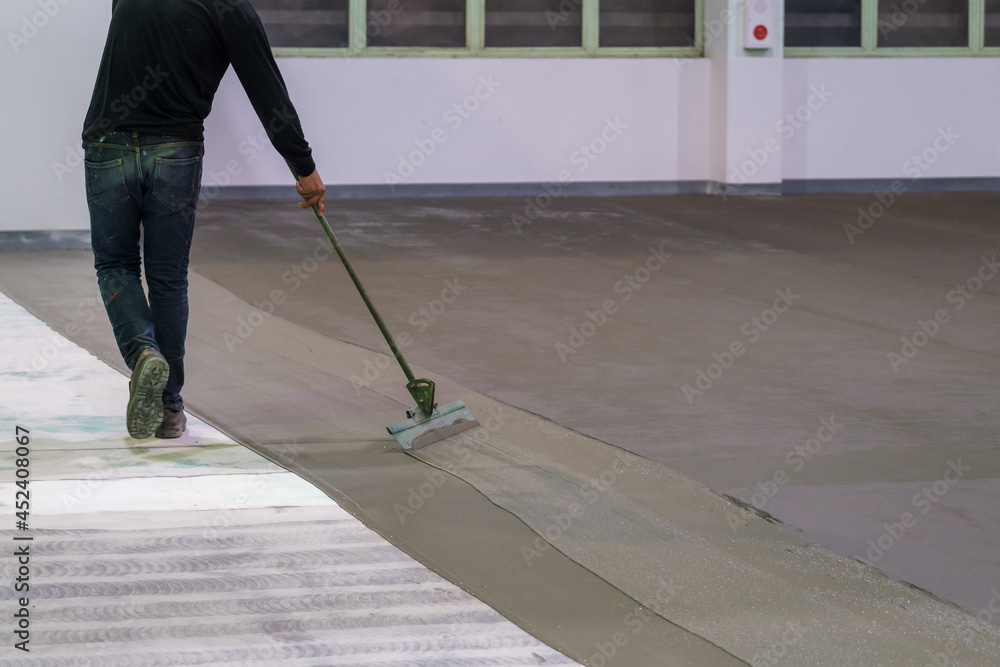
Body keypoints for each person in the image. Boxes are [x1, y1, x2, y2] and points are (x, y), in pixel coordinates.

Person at [82, 0, 325, 439]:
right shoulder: (231, 9)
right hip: (175, 151)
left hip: (108, 145)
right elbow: (268, 94)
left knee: (115, 265)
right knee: (168, 278)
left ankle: (142, 355)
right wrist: (303, 168)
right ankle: (170, 409)